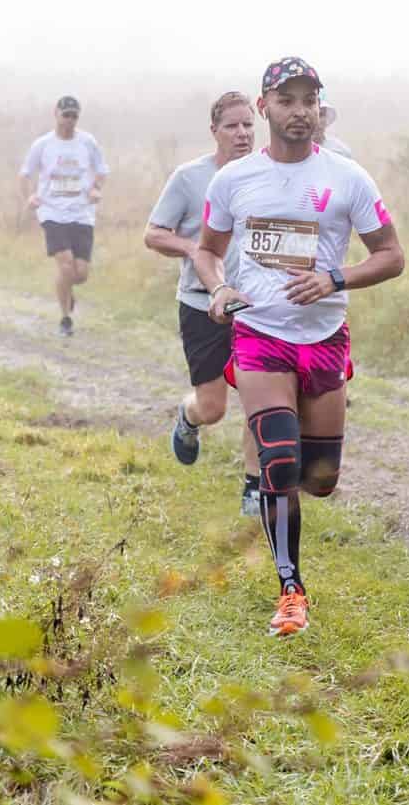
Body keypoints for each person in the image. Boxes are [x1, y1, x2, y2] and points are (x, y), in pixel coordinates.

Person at [193, 56, 405, 637]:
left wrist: (335, 279)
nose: (299, 111)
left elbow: (392, 256)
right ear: (264, 108)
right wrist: (220, 287)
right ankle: (291, 590)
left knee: (320, 478)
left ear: (319, 107)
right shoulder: (232, 181)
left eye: (309, 100)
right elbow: (207, 251)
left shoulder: (347, 177)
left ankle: (297, 513)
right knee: (278, 462)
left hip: (324, 337)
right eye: (286, 100)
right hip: (260, 333)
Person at [145, 91, 261, 515]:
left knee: (259, 395)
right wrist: (194, 249)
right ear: (214, 132)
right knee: (213, 407)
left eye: (248, 124)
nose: (242, 133)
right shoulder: (190, 178)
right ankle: (188, 418)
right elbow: (153, 233)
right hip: (201, 305)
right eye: (232, 126)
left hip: (256, 308)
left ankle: (254, 486)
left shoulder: (266, 173)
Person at [20, 95, 109, 336]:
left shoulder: (87, 142)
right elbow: (26, 173)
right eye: (65, 115)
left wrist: (95, 188)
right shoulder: (43, 144)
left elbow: (101, 170)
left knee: (80, 274)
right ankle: (65, 318)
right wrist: (31, 196)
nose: (69, 120)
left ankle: (67, 293)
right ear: (56, 114)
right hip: (52, 211)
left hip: (82, 213)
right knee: (66, 265)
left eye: (74, 116)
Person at [314, 93, 354, 157]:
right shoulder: (294, 151)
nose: (317, 121)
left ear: (327, 118)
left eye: (321, 114)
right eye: (313, 114)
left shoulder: (340, 151)